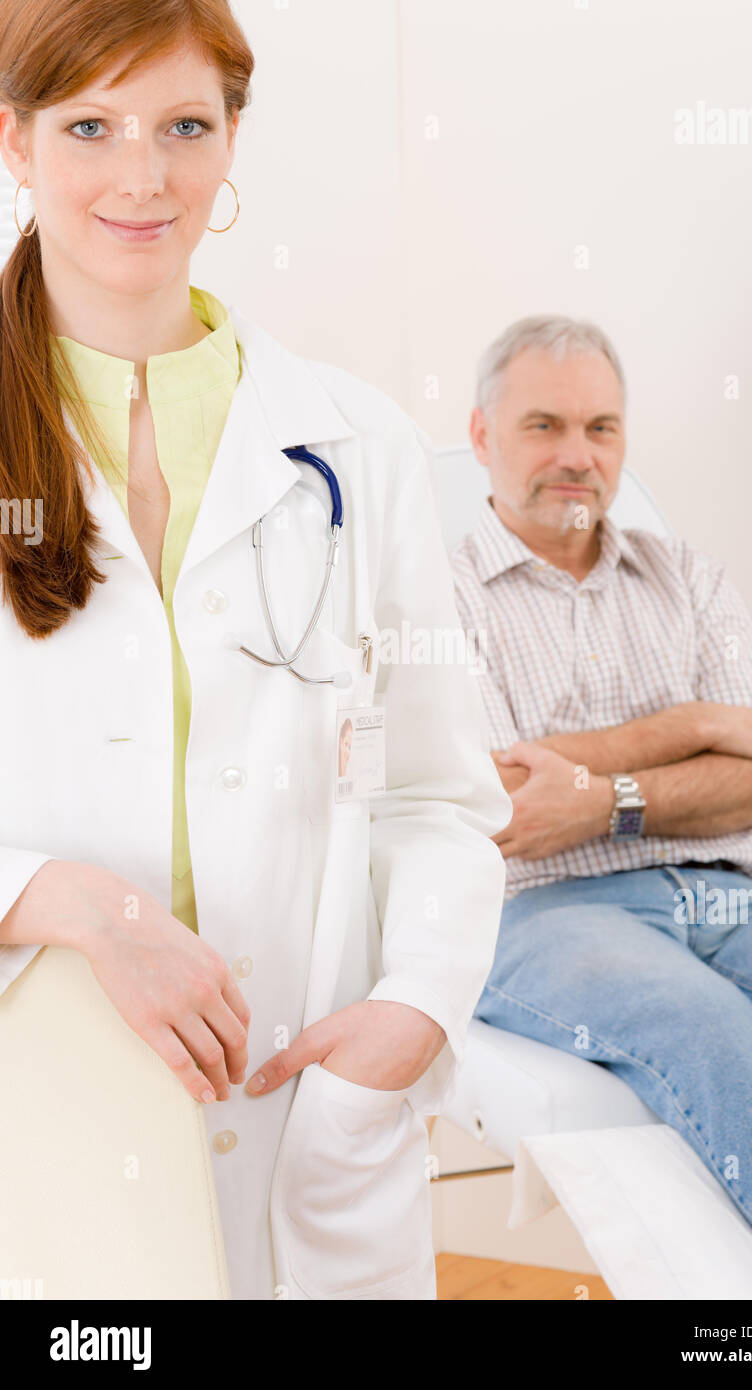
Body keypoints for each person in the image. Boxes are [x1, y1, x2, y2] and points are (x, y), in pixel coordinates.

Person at [0, 0, 511, 1301]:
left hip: (305, 1115)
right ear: (15, 140)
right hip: (44, 1106)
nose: (142, 175)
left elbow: (438, 792)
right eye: (90, 125)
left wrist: (413, 1011)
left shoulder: (355, 443)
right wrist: (73, 901)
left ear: (233, 139)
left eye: (184, 124)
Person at [449, 313, 752, 1300]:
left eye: (600, 429)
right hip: (539, 914)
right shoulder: (437, 592)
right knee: (704, 1028)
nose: (575, 456)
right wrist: (692, 721)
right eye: (542, 425)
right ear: (480, 436)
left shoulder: (682, 575)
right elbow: (501, 801)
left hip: (720, 896)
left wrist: (601, 796)